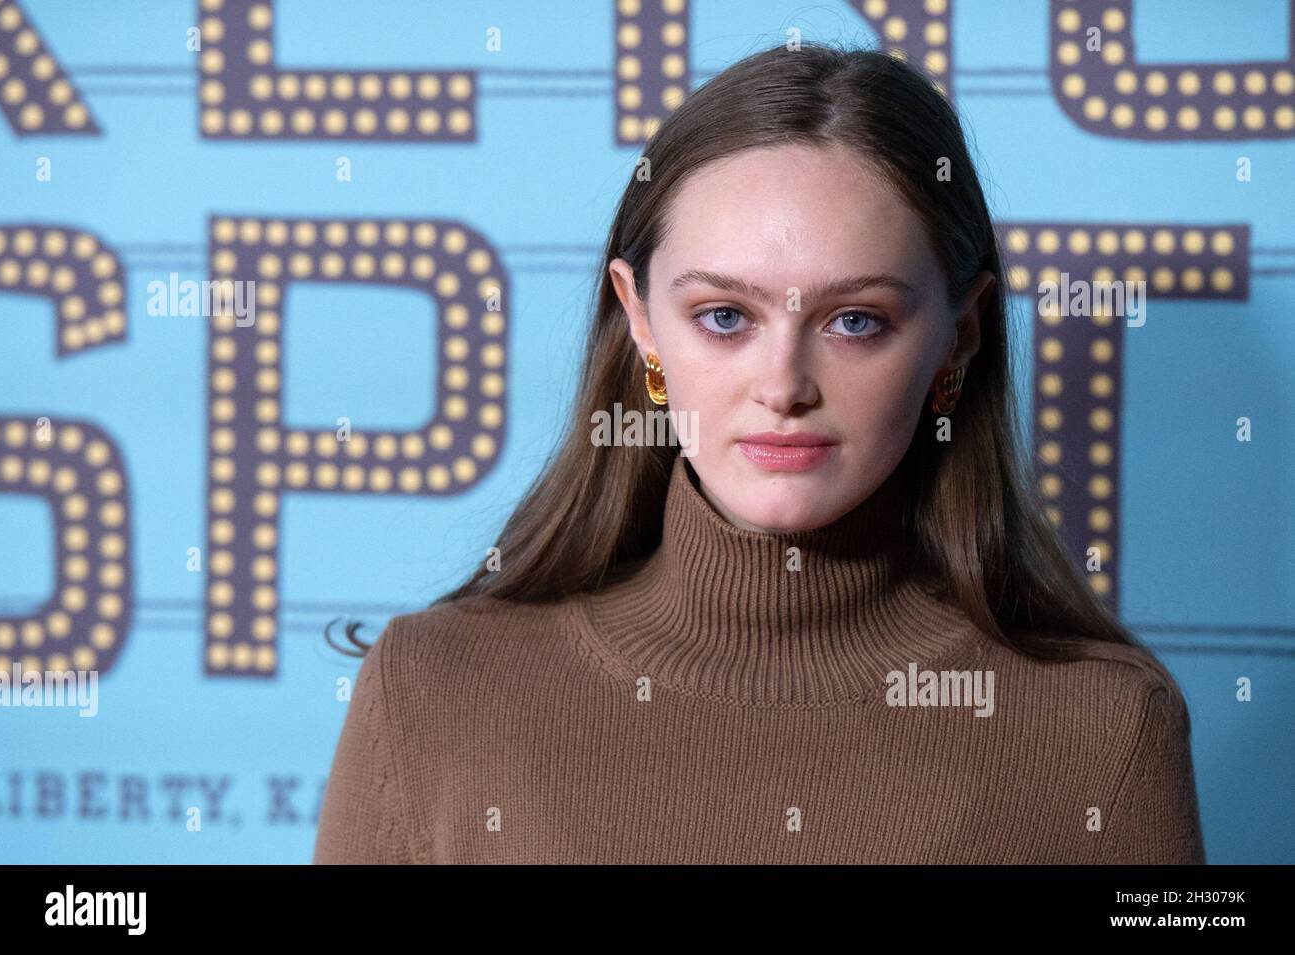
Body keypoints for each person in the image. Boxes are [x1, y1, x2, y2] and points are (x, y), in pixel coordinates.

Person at [312, 41, 1205, 864]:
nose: (784, 384)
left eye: (856, 320)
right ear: (641, 319)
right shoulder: (434, 691)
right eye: (725, 317)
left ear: (959, 335)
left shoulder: (1106, 732)